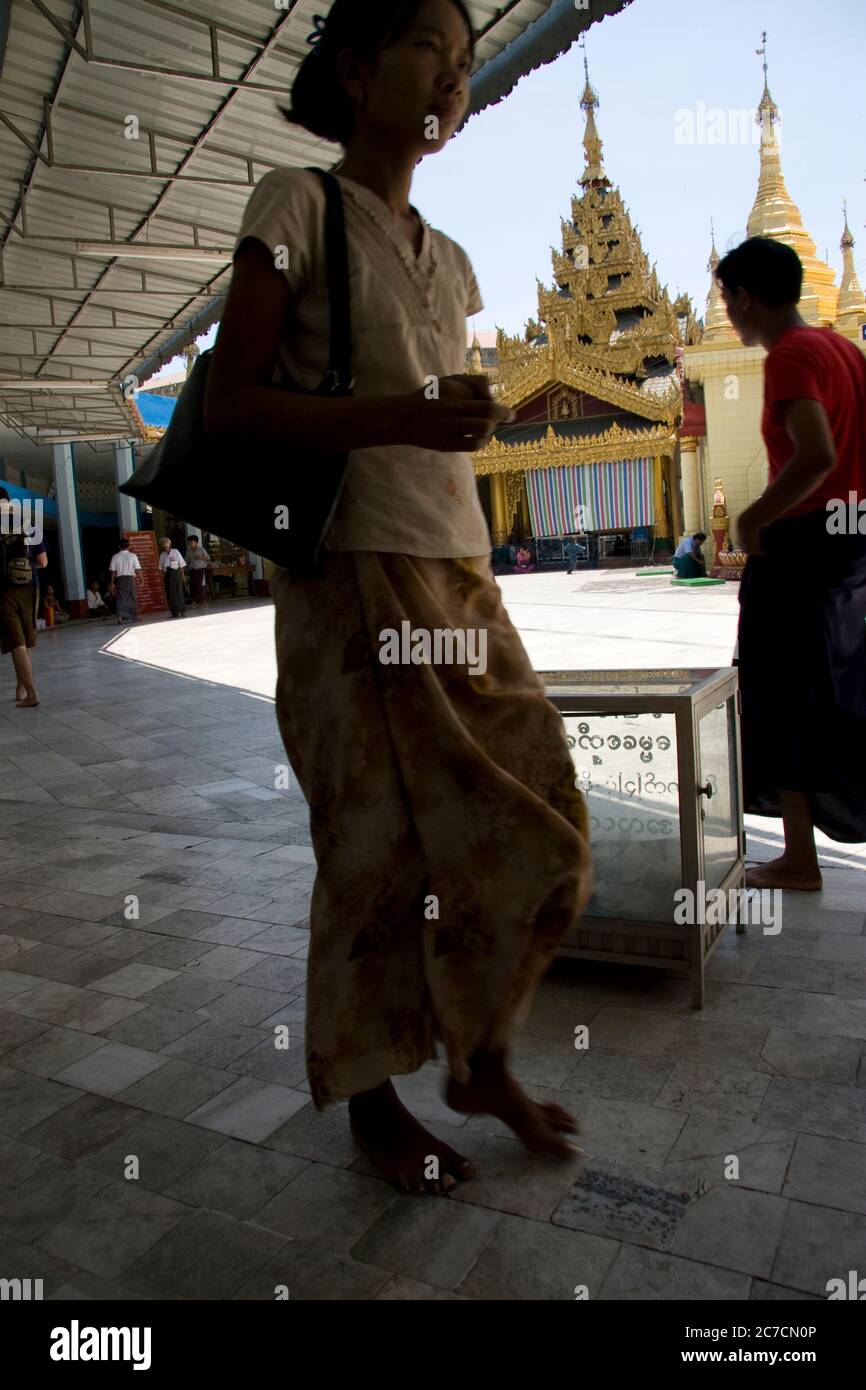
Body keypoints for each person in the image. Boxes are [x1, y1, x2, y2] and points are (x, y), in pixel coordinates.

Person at [204, 0, 590, 1197]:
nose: (451, 75)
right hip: (347, 571)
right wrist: (399, 419)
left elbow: (429, 421)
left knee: (542, 823)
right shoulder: (292, 208)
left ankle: (479, 1056)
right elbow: (225, 404)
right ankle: (375, 1104)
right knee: (371, 853)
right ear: (361, 66)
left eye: (466, 62)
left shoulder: (450, 258)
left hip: (455, 563)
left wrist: (446, 426)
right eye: (427, 44)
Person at [717, 234, 866, 890]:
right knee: (833, 692)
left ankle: (800, 857)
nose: (728, 314)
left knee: (778, 697)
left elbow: (815, 454)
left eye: (728, 299)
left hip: (800, 549)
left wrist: (755, 518)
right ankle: (800, 854)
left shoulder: (792, 355)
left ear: (747, 297)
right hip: (850, 544)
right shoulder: (846, 350)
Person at [0, 487, 46, 706]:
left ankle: (32, 693)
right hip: (30, 588)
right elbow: (43, 561)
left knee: (15, 642)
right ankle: (21, 688)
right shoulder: (27, 521)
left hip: (4, 591)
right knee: (24, 641)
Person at [108, 537, 142, 625]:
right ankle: (134, 616)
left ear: (119, 546)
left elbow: (113, 571)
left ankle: (119, 618)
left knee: (120, 598)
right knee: (132, 596)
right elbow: (137, 569)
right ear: (129, 546)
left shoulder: (115, 557)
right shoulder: (133, 556)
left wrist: (112, 583)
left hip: (120, 579)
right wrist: (141, 578)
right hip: (131, 579)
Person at [158, 536, 187, 617]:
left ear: (169, 544)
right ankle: (174, 612)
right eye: (163, 546)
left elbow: (181, 565)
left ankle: (182, 611)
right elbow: (160, 568)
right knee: (170, 594)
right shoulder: (162, 555)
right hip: (168, 574)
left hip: (176, 573)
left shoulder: (175, 552)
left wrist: (183, 576)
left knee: (179, 592)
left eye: (166, 545)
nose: (165, 547)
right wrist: (162, 578)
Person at [185, 534, 212, 606]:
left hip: (200, 569)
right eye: (189, 542)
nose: (190, 543)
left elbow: (208, 558)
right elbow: (186, 561)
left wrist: (201, 558)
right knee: (194, 586)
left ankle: (202, 601)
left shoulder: (201, 549)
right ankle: (196, 601)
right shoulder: (188, 551)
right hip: (192, 570)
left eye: (192, 542)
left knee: (200, 585)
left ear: (196, 542)